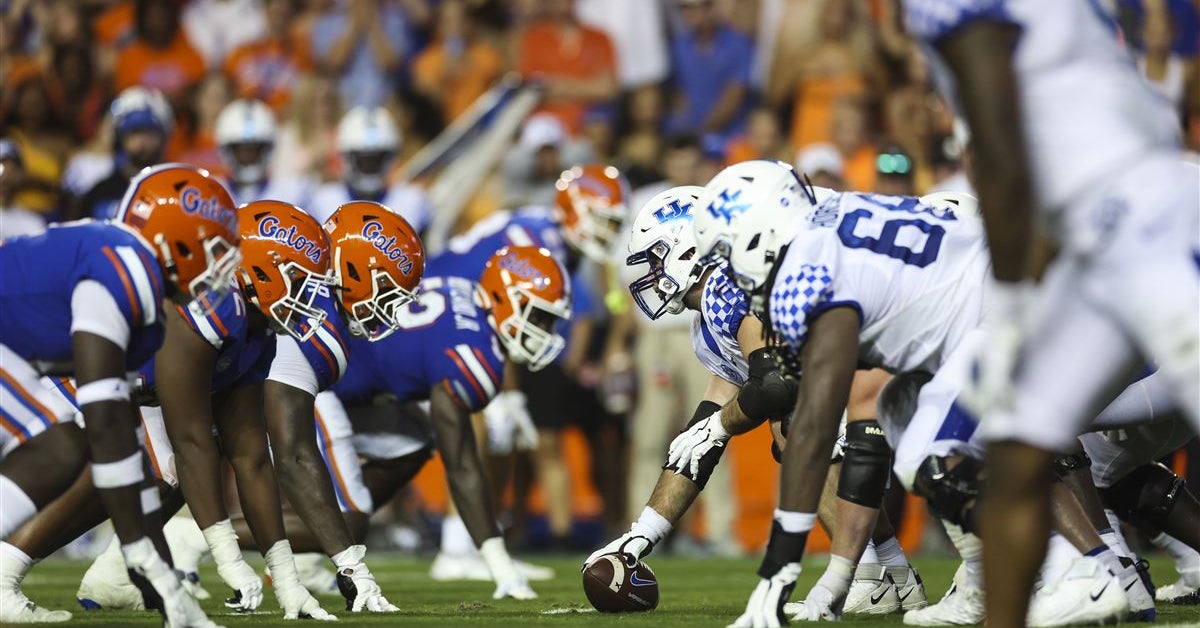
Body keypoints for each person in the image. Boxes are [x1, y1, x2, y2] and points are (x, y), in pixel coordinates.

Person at [691, 160, 1154, 625]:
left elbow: (813, 427)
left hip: (1013, 316)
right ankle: (1066, 570)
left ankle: (1077, 572)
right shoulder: (843, 212)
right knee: (903, 412)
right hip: (1037, 293)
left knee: (928, 458)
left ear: (757, 232)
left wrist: (778, 573)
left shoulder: (805, 274)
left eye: (729, 251)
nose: (733, 272)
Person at [900, 1, 1200, 625]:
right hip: (1102, 230)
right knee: (1014, 447)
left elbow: (1004, 152)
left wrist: (1010, 314)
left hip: (1153, 221)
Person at [601, 184, 923, 615]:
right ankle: (894, 574)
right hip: (868, 351)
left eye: (657, 260)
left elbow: (774, 386)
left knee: (795, 424)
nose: (652, 276)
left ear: (686, 250)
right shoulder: (708, 322)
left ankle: (875, 573)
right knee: (793, 425)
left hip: (888, 344)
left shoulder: (725, 287)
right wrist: (640, 537)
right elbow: (701, 437)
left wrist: (716, 428)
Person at [0, 163, 238, 627]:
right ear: (178, 240)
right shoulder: (124, 266)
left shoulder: (143, 301)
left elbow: (124, 448)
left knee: (86, 445)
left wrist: (162, 575)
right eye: (215, 248)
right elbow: (104, 421)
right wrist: (147, 563)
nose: (221, 266)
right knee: (61, 442)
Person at [317, 245, 573, 600]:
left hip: (352, 387)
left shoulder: (464, 288)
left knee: (415, 441)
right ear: (504, 298)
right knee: (350, 518)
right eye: (539, 316)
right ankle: (218, 538)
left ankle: (302, 550)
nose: (544, 329)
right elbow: (462, 465)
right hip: (321, 385)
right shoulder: (475, 355)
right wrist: (502, 566)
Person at [427, 164, 628, 555]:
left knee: (499, 435)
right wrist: (508, 389)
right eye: (602, 221)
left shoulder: (550, 235)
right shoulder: (542, 242)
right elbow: (506, 316)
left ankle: (485, 540)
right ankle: (458, 546)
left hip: (466, 312)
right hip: (447, 308)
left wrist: (511, 391)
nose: (609, 232)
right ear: (575, 210)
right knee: (479, 421)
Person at [308, 106, 432, 234]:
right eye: (363, 161)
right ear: (345, 158)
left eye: (376, 160)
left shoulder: (412, 200)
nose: (369, 167)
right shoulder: (323, 200)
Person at [517, 0, 618, 135]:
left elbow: (608, 88)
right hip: (545, 126)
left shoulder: (600, 38)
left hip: (589, 126)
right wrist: (590, 88)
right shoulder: (534, 39)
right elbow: (535, 88)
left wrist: (560, 86)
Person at [74, 87, 172, 221]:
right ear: (120, 139)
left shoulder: (173, 192)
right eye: (134, 133)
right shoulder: (100, 193)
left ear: (163, 137)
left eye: (149, 132)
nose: (142, 141)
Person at [667, 0, 755, 141]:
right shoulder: (680, 47)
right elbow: (681, 96)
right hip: (691, 136)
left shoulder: (738, 44)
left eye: (696, 7)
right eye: (684, 8)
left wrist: (700, 134)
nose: (690, 13)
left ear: (712, 7)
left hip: (730, 138)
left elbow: (734, 95)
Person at [412, 0, 504, 125]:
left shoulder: (485, 53)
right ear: (439, 27)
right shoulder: (428, 61)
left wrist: (472, 65)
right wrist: (443, 77)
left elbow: (501, 85)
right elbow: (426, 102)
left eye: (461, 20)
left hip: (487, 123)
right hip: (451, 130)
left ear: (470, 23)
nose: (456, 27)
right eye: (449, 21)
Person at [215, 98, 314, 207]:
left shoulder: (293, 193)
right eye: (242, 151)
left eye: (254, 151)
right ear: (226, 151)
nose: (248, 157)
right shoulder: (214, 194)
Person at [224, 0, 314, 114]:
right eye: (275, 13)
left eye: (285, 14)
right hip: (245, 117)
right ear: (265, 13)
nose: (279, 19)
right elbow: (226, 86)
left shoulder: (302, 57)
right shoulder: (243, 52)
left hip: (284, 121)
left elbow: (306, 95)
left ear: (292, 18)